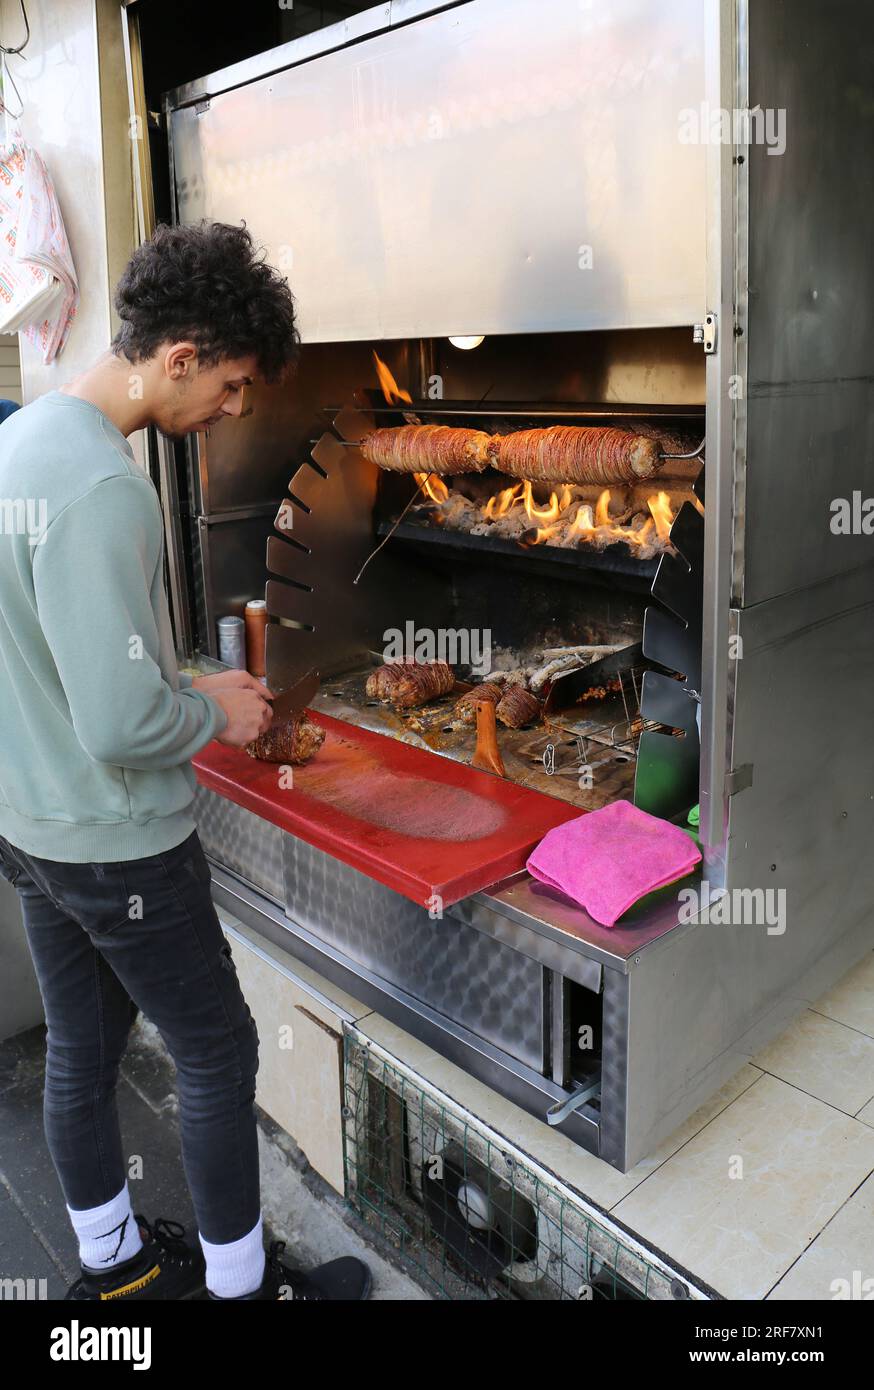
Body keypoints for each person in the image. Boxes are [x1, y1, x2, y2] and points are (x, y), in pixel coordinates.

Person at [0, 221, 371, 1302]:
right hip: (118, 847)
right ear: (182, 355)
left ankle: (112, 1269)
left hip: (29, 826)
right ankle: (242, 1287)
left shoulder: (23, 444)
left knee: (82, 1042)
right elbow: (121, 724)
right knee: (214, 1052)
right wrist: (207, 705)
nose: (238, 409)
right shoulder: (103, 492)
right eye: (236, 383)